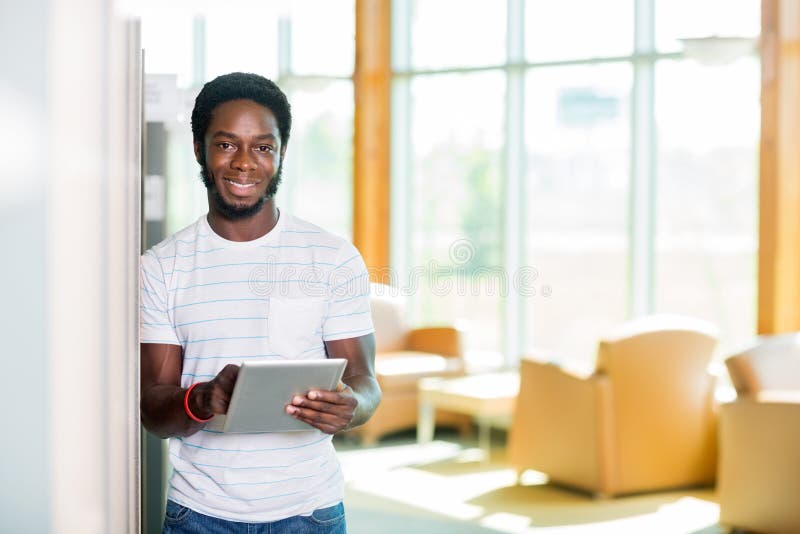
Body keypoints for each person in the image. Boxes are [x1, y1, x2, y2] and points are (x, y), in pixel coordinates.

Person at [140, 72, 380, 533]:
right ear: (199, 149)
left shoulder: (331, 257)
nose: (244, 163)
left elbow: (365, 381)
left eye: (263, 147)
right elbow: (153, 408)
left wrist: (354, 406)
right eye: (227, 144)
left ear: (281, 153)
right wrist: (202, 399)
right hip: (199, 516)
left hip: (312, 512)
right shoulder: (161, 267)